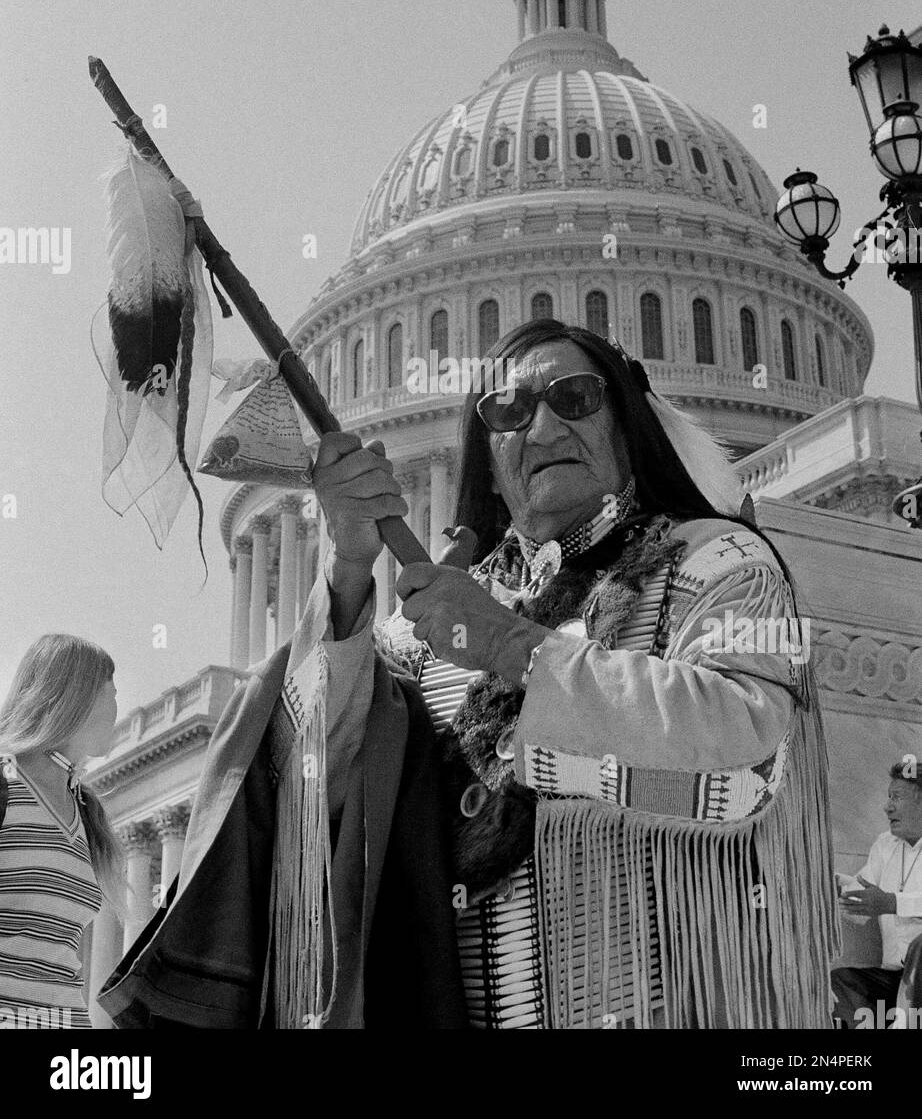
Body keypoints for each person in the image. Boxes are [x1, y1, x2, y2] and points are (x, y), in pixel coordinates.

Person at [98, 320, 838, 1029]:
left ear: (628, 424)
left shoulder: (716, 559)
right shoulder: (436, 619)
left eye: (574, 400)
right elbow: (313, 782)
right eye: (508, 411)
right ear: (489, 452)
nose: (542, 429)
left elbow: (749, 760)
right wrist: (350, 567)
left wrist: (512, 645)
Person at [0, 634, 122, 1029]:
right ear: (78, 697)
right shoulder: (5, 784)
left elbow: (60, 961)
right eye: (112, 693)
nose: (118, 708)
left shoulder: (85, 811)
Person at [832, 760, 922, 1028]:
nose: (887, 806)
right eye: (888, 797)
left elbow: (885, 902)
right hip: (894, 978)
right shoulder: (885, 844)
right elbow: (863, 899)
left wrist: (893, 903)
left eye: (897, 797)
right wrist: (831, 888)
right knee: (842, 983)